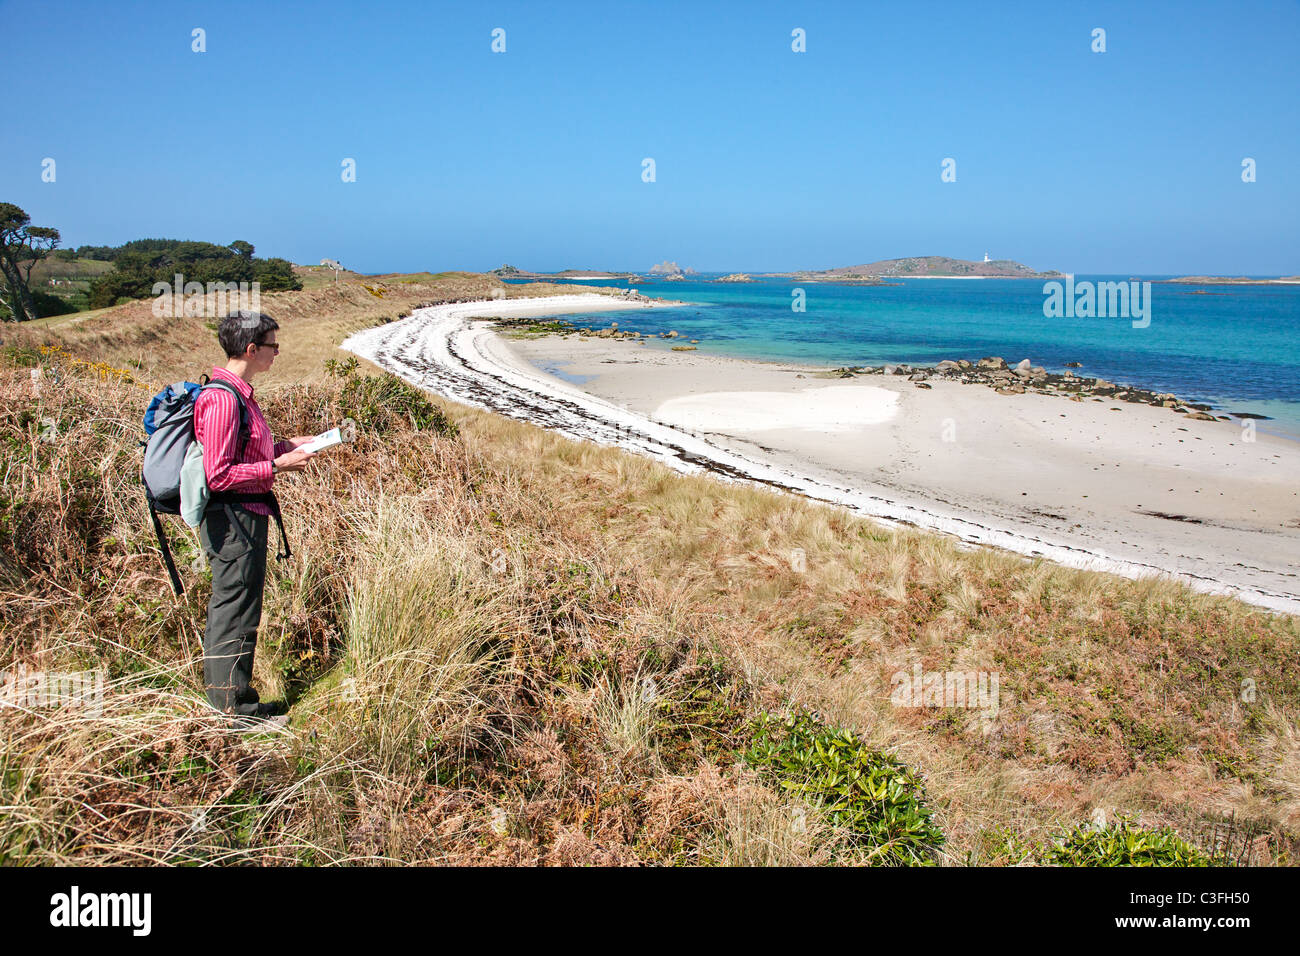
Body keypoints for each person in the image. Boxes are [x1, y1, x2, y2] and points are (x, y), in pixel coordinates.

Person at [193, 310, 316, 721]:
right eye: (272, 346)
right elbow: (220, 473)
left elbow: (245, 452)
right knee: (234, 610)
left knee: (238, 607)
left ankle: (232, 703)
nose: (277, 353)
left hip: (243, 515)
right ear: (250, 349)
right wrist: (277, 467)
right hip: (233, 519)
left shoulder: (237, 393)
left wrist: (283, 446)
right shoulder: (224, 399)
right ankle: (233, 712)